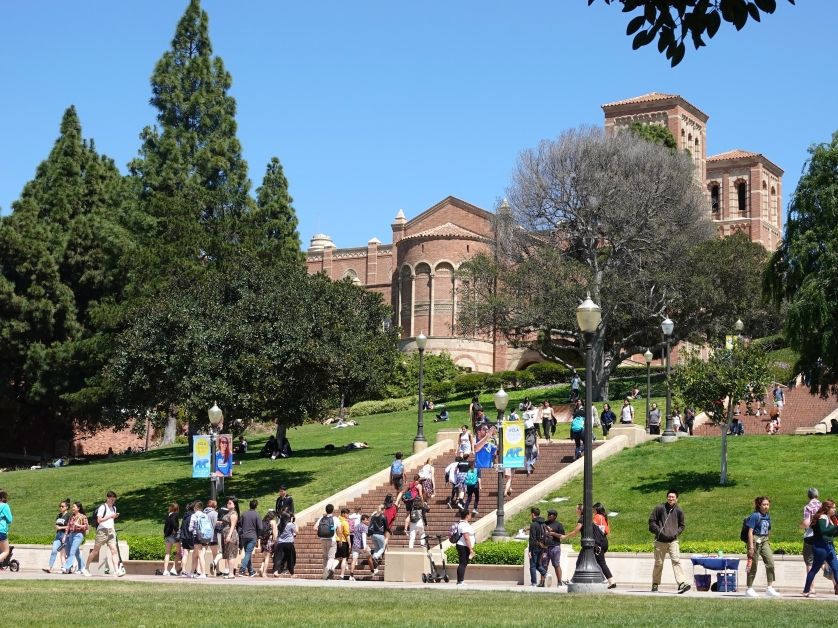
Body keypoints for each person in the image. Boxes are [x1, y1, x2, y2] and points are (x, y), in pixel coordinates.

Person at [648, 490, 690, 594]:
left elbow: (682, 525)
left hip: (673, 541)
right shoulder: (659, 508)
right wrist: (659, 531)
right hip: (660, 541)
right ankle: (655, 584)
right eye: (669, 497)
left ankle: (682, 583)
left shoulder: (679, 510)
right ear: (667, 498)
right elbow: (651, 521)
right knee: (658, 563)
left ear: (677, 499)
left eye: (673, 497)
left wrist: (676, 533)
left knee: (676, 561)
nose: (671, 498)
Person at [744, 496, 779, 597]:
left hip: (764, 540)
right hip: (755, 540)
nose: (766, 506)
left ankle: (769, 588)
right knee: (753, 565)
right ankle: (749, 588)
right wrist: (751, 546)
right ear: (759, 505)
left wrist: (767, 541)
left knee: (770, 563)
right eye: (764, 504)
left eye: (767, 504)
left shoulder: (767, 516)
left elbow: (768, 529)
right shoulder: (755, 516)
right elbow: (750, 532)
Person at [803, 500, 838, 598]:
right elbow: (823, 531)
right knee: (814, 569)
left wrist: (836, 529)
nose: (835, 509)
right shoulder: (822, 517)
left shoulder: (830, 518)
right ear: (827, 508)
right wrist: (836, 526)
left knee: (836, 568)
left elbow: (831, 534)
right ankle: (806, 591)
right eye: (833, 507)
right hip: (820, 547)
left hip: (829, 546)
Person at [87, 490, 124, 577]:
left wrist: (114, 516)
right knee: (95, 551)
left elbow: (111, 520)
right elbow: (99, 520)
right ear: (108, 498)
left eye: (114, 500)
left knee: (114, 550)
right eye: (111, 499)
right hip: (102, 531)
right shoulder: (102, 507)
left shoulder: (114, 508)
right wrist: (110, 516)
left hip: (111, 531)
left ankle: (116, 570)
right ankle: (86, 568)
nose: (113, 501)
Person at [800, 488, 824, 595]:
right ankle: (834, 582)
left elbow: (806, 523)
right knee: (824, 561)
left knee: (809, 562)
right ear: (817, 495)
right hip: (822, 537)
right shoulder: (823, 506)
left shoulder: (808, 507)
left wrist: (801, 526)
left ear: (808, 496)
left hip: (810, 536)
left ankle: (812, 588)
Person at [61, 501, 90, 575]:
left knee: (72, 552)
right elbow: (68, 526)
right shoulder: (72, 516)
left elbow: (86, 526)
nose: (72, 508)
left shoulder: (82, 516)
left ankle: (66, 567)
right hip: (71, 535)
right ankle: (82, 568)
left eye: (74, 507)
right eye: (72, 507)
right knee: (77, 553)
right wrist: (65, 535)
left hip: (79, 535)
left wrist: (79, 525)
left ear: (78, 508)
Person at [593, 502, 617, 589]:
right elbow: (607, 531)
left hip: (598, 542)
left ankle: (610, 581)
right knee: (597, 562)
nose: (592, 511)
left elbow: (590, 527)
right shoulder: (604, 517)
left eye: (593, 509)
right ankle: (603, 580)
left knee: (601, 563)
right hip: (604, 541)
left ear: (596, 509)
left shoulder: (597, 517)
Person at [44, 499, 71, 573]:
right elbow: (56, 524)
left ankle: (67, 567)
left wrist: (61, 528)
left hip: (65, 535)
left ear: (67, 507)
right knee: (54, 550)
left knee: (64, 553)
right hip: (58, 535)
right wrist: (57, 527)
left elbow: (70, 526)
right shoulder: (59, 515)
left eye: (62, 506)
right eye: (60, 506)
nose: (61, 507)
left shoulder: (69, 515)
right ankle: (49, 567)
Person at [239, 499, 262, 577]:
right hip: (252, 536)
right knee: (248, 553)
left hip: (244, 536)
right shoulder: (257, 515)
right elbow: (260, 527)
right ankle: (242, 570)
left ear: (249, 505)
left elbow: (240, 524)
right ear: (256, 506)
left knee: (247, 554)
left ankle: (251, 571)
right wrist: (259, 536)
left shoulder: (244, 514)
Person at [350, 514, 376, 579]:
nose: (368, 521)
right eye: (366, 520)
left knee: (354, 560)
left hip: (355, 545)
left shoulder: (356, 526)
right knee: (369, 558)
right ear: (363, 520)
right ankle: (372, 571)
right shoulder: (364, 526)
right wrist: (364, 546)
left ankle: (351, 575)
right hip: (361, 546)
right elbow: (363, 536)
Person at [527, 507, 549, 587]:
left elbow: (532, 538)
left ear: (533, 514)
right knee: (538, 564)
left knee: (532, 565)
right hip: (542, 546)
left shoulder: (533, 524)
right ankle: (546, 574)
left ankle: (533, 583)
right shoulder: (543, 523)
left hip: (535, 547)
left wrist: (530, 550)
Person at [316, 503, 338, 580]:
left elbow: (315, 527)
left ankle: (324, 573)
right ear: (333, 510)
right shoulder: (335, 519)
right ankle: (327, 569)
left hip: (322, 539)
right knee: (331, 556)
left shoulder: (322, 518)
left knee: (325, 557)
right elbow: (340, 530)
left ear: (326, 510)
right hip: (332, 539)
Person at [544, 509, 565, 587]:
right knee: (544, 565)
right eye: (548, 514)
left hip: (555, 547)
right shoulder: (544, 524)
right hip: (545, 548)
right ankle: (542, 582)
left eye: (551, 514)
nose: (549, 516)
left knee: (556, 564)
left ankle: (559, 582)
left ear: (555, 516)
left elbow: (562, 536)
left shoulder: (558, 525)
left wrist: (553, 533)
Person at [272, 510, 297, 577]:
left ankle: (276, 571)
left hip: (280, 543)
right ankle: (292, 573)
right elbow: (296, 531)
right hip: (289, 543)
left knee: (279, 558)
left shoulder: (279, 525)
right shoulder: (290, 524)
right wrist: (294, 523)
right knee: (290, 558)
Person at [189, 501, 210, 579]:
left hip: (197, 536)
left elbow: (190, 528)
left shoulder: (194, 515)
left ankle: (203, 573)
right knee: (195, 554)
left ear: (195, 508)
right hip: (205, 536)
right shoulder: (205, 515)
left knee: (200, 554)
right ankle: (191, 572)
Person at [220, 497, 240, 578]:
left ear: (234, 505)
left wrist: (229, 536)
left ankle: (231, 573)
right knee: (227, 554)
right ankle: (228, 572)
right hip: (225, 534)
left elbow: (233, 526)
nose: (228, 504)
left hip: (231, 536)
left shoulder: (233, 514)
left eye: (230, 503)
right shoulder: (229, 513)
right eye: (228, 503)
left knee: (231, 554)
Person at [455, 508, 476, 585]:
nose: (470, 516)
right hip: (463, 546)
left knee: (463, 563)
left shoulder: (464, 524)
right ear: (467, 515)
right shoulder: (463, 525)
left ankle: (460, 581)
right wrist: (470, 549)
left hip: (463, 546)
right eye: (469, 514)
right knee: (462, 563)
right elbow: (466, 537)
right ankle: (460, 581)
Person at [162, 502, 180, 576]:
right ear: (177, 509)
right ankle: (173, 568)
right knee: (179, 552)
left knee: (167, 553)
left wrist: (166, 534)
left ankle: (165, 570)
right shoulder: (175, 515)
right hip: (173, 536)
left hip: (167, 536)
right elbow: (174, 524)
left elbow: (165, 527)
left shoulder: (168, 515)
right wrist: (176, 530)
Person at [258, 510, 277, 578]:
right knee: (267, 557)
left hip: (263, 541)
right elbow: (275, 533)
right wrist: (275, 541)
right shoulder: (273, 522)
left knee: (265, 556)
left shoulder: (263, 521)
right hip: (269, 541)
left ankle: (261, 567)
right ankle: (264, 573)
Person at [203, 499, 220, 575]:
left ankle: (200, 571)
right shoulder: (215, 513)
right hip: (213, 536)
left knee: (202, 554)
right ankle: (218, 571)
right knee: (215, 554)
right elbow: (216, 525)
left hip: (204, 536)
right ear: (215, 506)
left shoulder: (203, 513)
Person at [335, 507, 351, 579]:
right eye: (347, 514)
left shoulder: (337, 520)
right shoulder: (345, 522)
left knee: (337, 558)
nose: (348, 515)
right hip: (343, 541)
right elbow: (347, 534)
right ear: (343, 514)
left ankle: (331, 568)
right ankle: (342, 575)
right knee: (344, 558)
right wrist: (349, 544)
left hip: (336, 541)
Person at [0, 491, 12, 572]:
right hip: (1, 530)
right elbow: (9, 520)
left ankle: (0, 567)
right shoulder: (4, 506)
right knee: (6, 551)